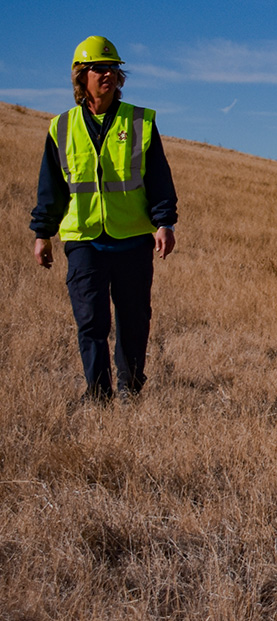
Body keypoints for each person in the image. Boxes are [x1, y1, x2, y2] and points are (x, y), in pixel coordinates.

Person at [31, 36, 178, 402]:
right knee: (92, 322)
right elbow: (51, 187)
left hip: (132, 238)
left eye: (113, 68)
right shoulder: (61, 127)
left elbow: (159, 178)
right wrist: (42, 233)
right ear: (81, 76)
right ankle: (97, 395)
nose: (108, 74)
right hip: (84, 240)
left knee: (134, 321)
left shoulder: (140, 122)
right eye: (99, 68)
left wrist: (165, 223)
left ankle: (130, 391)